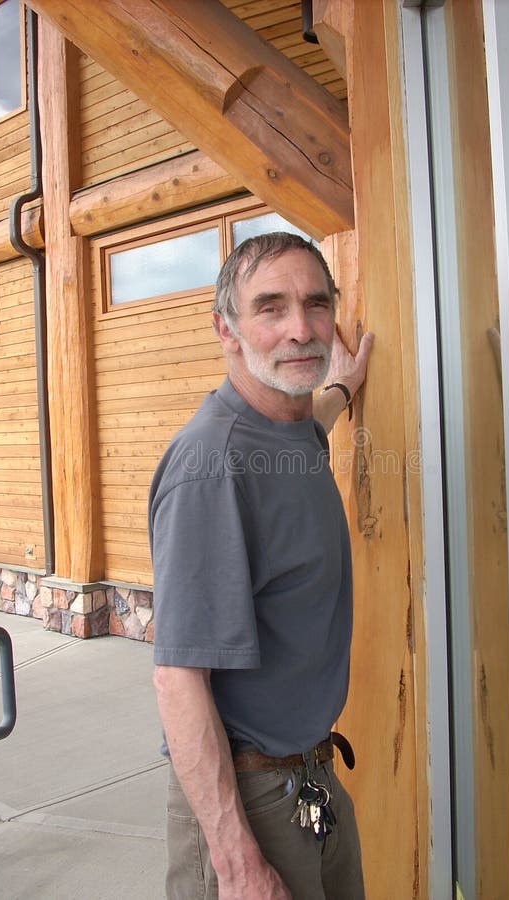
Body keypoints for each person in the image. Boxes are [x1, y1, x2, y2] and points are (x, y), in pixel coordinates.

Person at [149, 231, 374, 900]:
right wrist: (236, 860)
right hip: (245, 803)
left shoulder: (286, 430)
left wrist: (343, 386)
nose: (299, 328)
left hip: (311, 778)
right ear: (227, 329)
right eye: (270, 308)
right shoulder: (210, 465)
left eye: (314, 304)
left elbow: (315, 421)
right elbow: (176, 680)